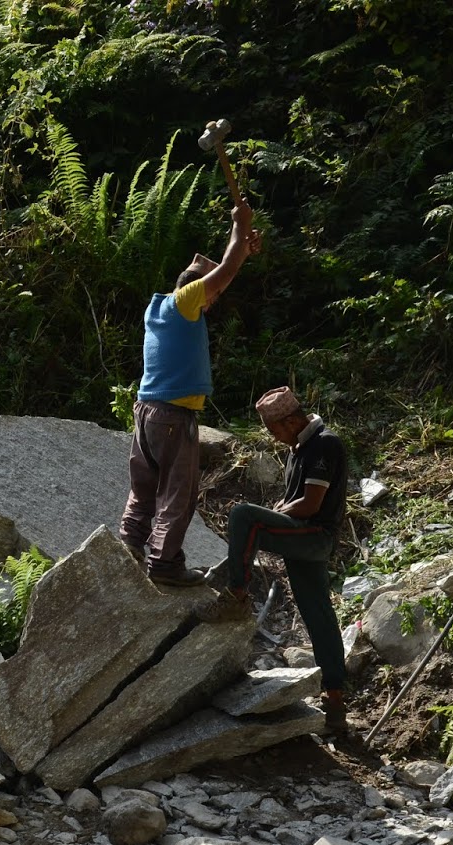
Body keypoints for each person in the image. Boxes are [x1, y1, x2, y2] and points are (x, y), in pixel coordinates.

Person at [120, 200, 260, 587]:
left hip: (146, 411)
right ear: (198, 290)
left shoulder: (159, 308)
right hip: (172, 417)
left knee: (145, 487)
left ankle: (129, 544)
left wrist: (243, 250)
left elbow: (224, 273)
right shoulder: (185, 301)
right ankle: (164, 567)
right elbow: (224, 273)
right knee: (177, 495)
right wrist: (239, 228)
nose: (213, 302)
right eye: (211, 295)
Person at [200, 386, 350, 731]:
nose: (275, 437)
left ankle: (236, 596)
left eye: (276, 430)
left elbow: (311, 505)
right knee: (318, 615)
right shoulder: (298, 449)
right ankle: (336, 699)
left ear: (293, 419)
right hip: (303, 538)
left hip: (314, 536)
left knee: (242, 516)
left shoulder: (324, 444)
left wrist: (274, 512)